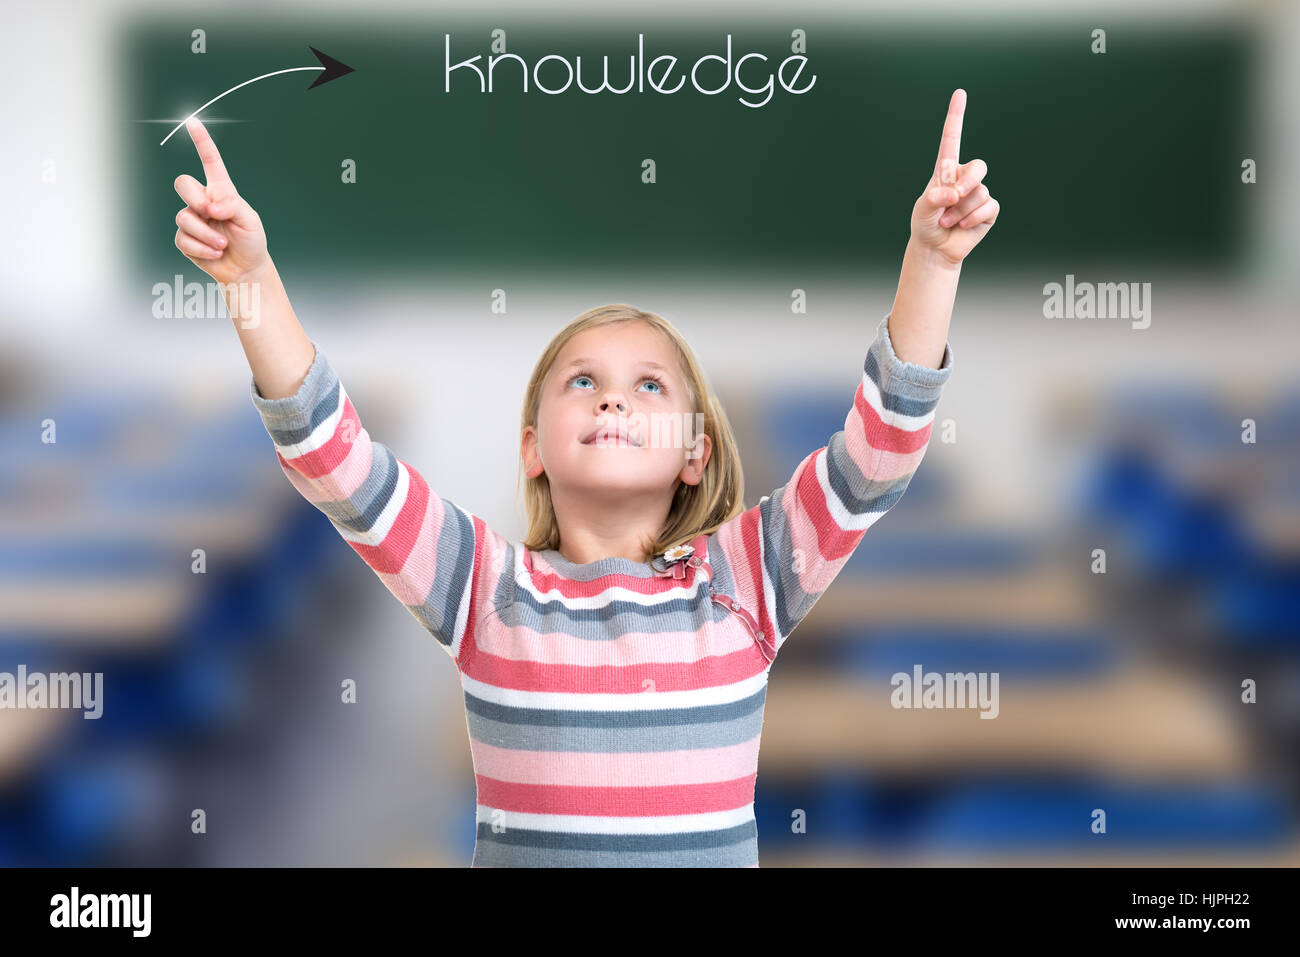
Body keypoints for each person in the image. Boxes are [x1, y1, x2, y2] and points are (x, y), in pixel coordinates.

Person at [171, 89, 996, 866]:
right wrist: (251, 282)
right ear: (534, 448)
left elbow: (878, 455)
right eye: (582, 381)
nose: (613, 398)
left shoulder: (746, 579)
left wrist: (932, 261)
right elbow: (333, 457)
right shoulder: (484, 588)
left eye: (649, 385)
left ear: (695, 452)